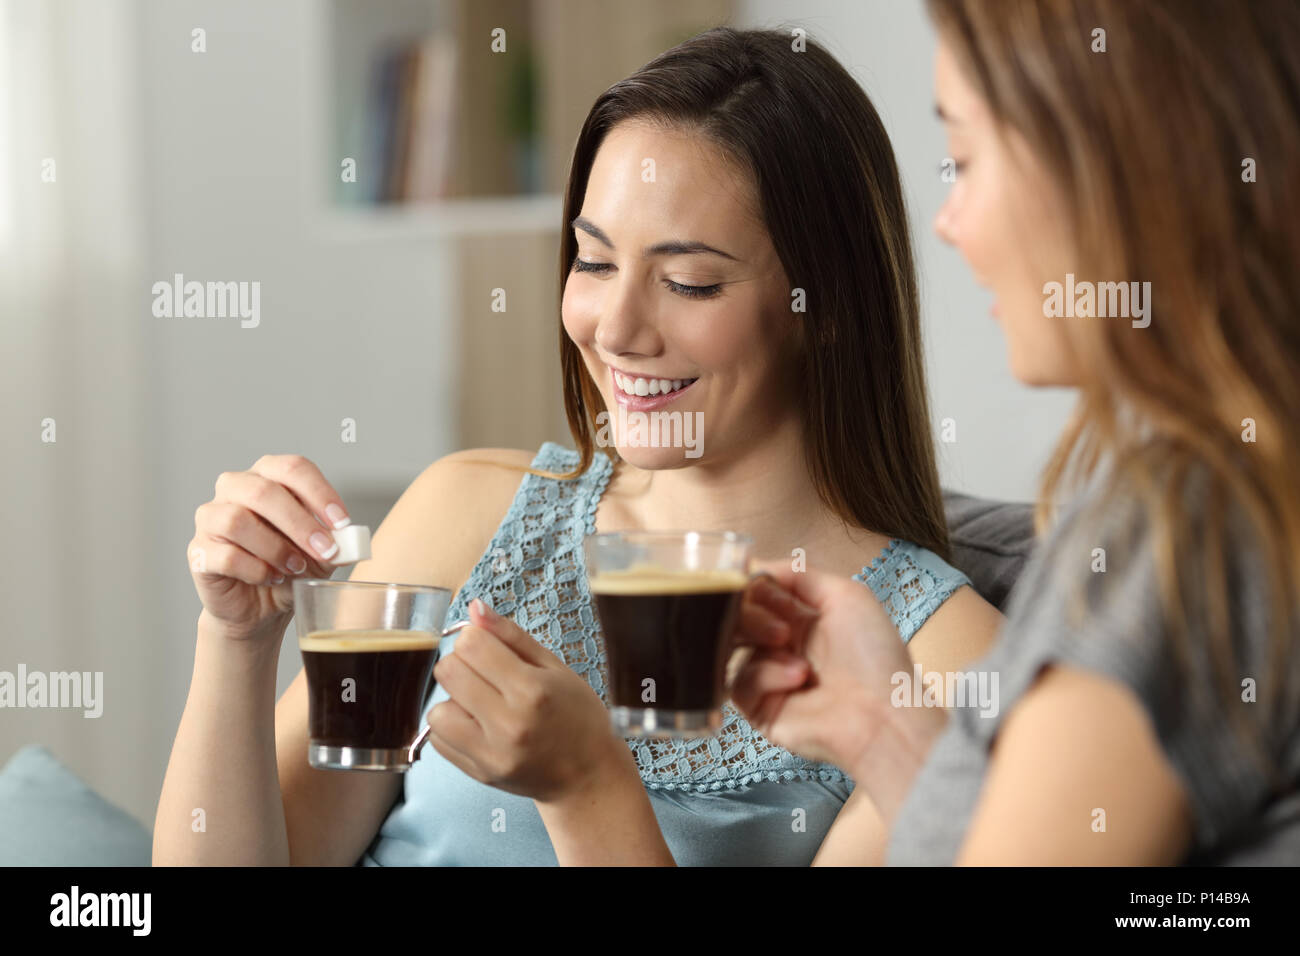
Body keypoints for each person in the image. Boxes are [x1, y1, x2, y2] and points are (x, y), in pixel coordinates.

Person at [153, 27, 1003, 867]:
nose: (618, 330)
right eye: (594, 263)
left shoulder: (942, 663)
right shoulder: (466, 511)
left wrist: (588, 787)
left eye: (688, 282)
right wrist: (235, 642)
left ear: (831, 305)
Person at [729, 0, 1300, 864]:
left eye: (964, 158)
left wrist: (586, 788)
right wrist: (884, 728)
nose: (947, 224)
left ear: (1120, 162)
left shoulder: (1188, 525)